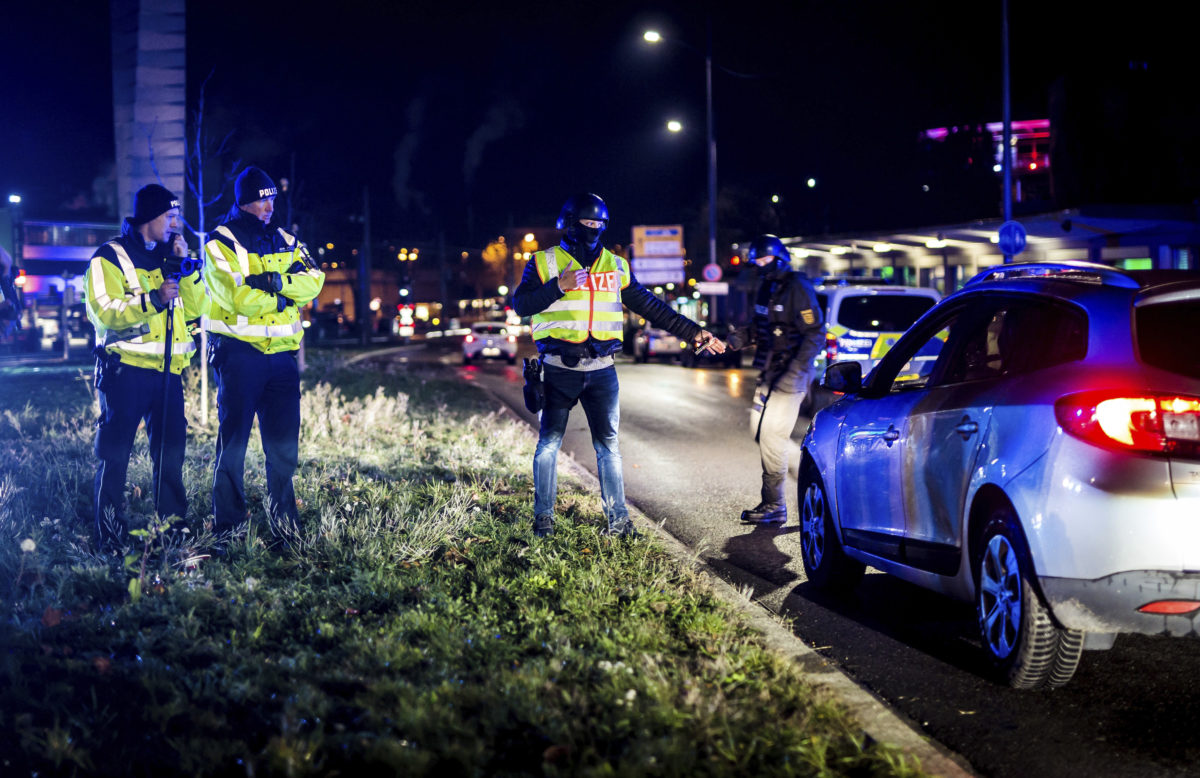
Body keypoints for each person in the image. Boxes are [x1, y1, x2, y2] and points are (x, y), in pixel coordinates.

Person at [513, 192, 724, 538]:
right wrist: (558, 287)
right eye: (586, 223)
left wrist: (695, 332)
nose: (593, 229)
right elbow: (521, 304)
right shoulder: (543, 262)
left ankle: (620, 523)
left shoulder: (616, 266)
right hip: (558, 369)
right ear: (568, 224)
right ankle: (543, 520)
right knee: (548, 444)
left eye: (599, 224)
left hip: (602, 370)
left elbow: (653, 307)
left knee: (608, 448)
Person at [204, 166, 325, 545]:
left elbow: (315, 281)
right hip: (239, 357)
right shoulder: (220, 241)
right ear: (244, 201)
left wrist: (277, 283)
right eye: (262, 199)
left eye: (272, 198)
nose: (269, 206)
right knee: (233, 446)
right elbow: (236, 298)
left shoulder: (287, 238)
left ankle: (286, 526)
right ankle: (228, 528)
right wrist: (287, 295)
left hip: (282, 361)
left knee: (284, 446)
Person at [84, 183, 209, 549]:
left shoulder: (173, 254)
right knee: (114, 455)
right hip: (125, 372)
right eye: (169, 217)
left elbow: (199, 307)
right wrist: (153, 299)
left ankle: (172, 529)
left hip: (168, 373)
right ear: (150, 218)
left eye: (176, 217)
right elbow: (104, 311)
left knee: (170, 456)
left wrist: (187, 269)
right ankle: (109, 534)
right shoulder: (109, 256)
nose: (175, 224)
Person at [725, 234, 824, 524]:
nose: (761, 265)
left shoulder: (798, 288)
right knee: (760, 431)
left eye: (766, 260)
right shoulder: (766, 288)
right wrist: (732, 340)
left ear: (780, 258)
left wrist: (794, 372)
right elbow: (761, 329)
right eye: (758, 261)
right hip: (770, 371)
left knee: (771, 435)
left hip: (791, 375)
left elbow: (815, 334)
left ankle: (774, 504)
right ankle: (802, 469)